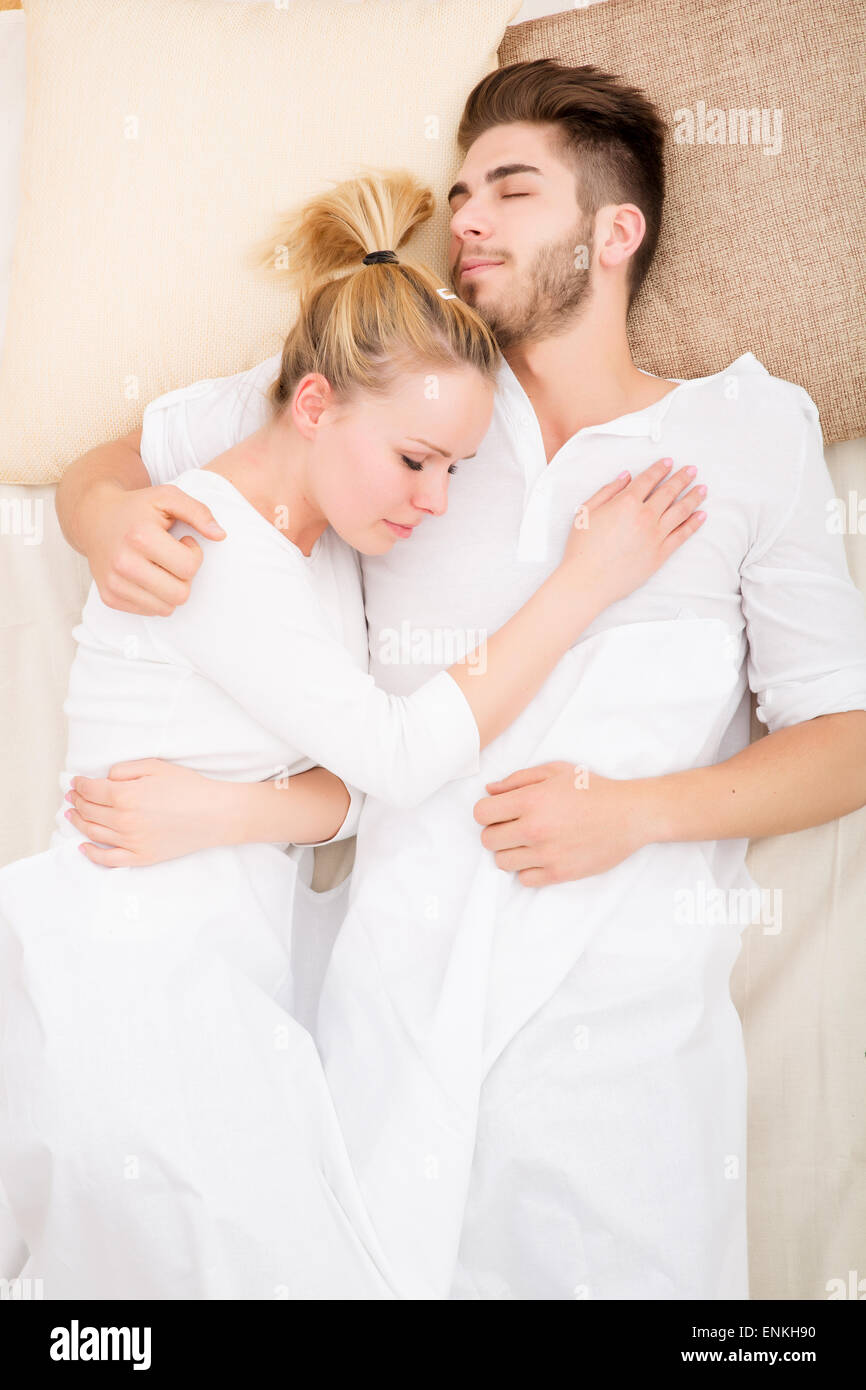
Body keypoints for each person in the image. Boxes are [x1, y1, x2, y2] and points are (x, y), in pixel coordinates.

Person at [48, 61, 866, 1300]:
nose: (466, 217)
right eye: (458, 189)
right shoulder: (405, 391)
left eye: (509, 189)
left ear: (613, 230)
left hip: (621, 1006)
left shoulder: (747, 434)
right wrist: (104, 516)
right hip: (393, 988)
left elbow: (847, 733)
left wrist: (636, 812)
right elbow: (127, 458)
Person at [0, 169, 704, 1300]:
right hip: (133, 961)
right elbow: (399, 758)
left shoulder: (319, 540)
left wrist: (232, 809)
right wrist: (580, 583)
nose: (432, 500)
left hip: (227, 956)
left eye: (454, 472)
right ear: (316, 404)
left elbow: (365, 786)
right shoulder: (209, 544)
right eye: (415, 460)